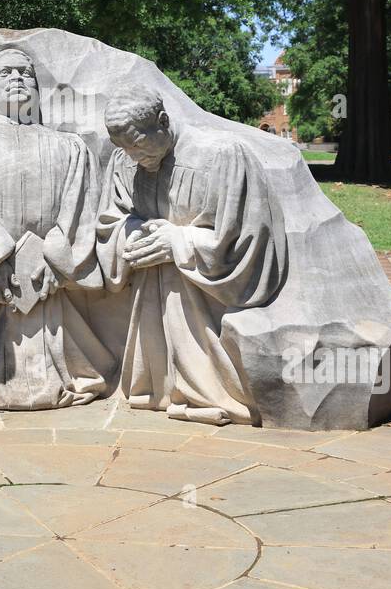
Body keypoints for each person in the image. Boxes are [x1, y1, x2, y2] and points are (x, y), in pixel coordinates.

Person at [97, 85, 287, 424]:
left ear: (163, 121)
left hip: (202, 293)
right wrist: (137, 233)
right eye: (121, 146)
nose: (131, 156)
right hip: (150, 297)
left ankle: (208, 388)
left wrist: (180, 241)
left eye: (137, 143)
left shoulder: (221, 155)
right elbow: (111, 220)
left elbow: (248, 238)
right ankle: (161, 385)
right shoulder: (124, 161)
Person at [0, 48, 113, 409]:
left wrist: (56, 258)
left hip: (49, 275)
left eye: (26, 72)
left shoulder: (69, 146)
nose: (18, 78)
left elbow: (80, 205)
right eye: (7, 73)